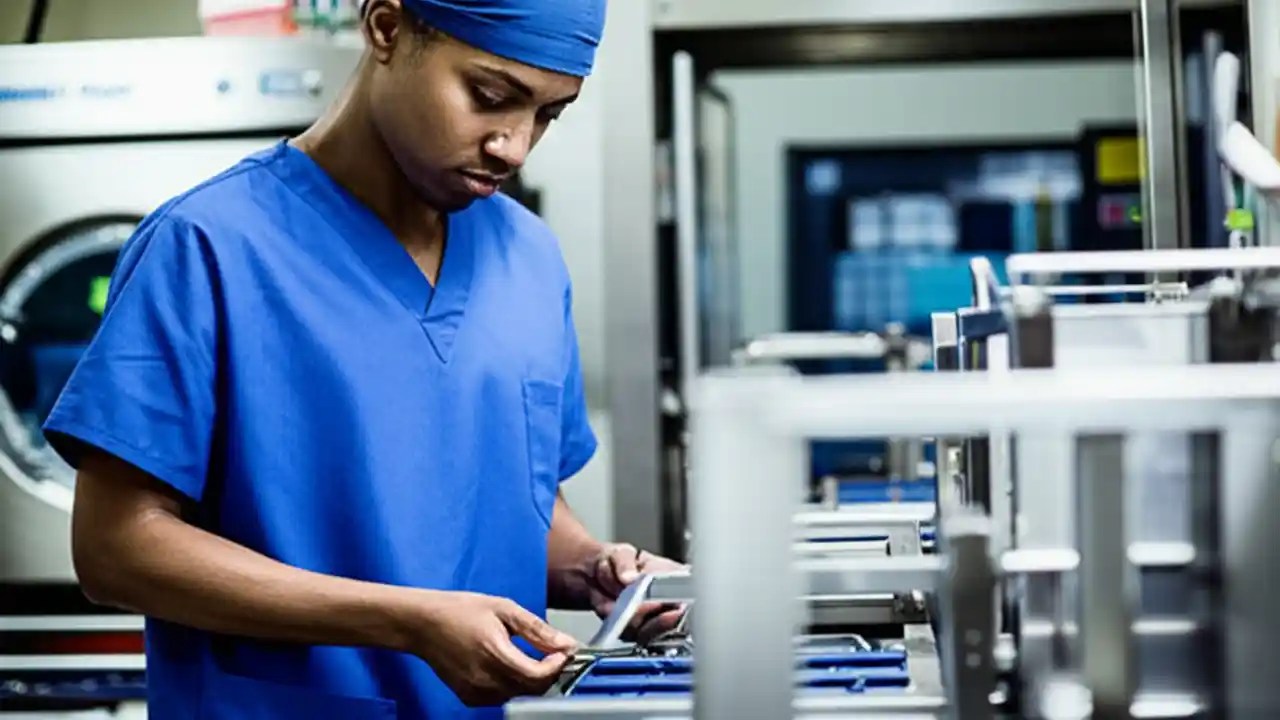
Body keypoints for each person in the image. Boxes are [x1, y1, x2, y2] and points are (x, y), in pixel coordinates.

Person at [41, 0, 686, 717]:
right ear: (385, 27)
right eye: (491, 96)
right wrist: (405, 621)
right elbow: (115, 550)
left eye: (548, 115)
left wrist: (596, 570)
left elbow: (519, 504)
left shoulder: (529, 258)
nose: (515, 145)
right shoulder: (207, 247)